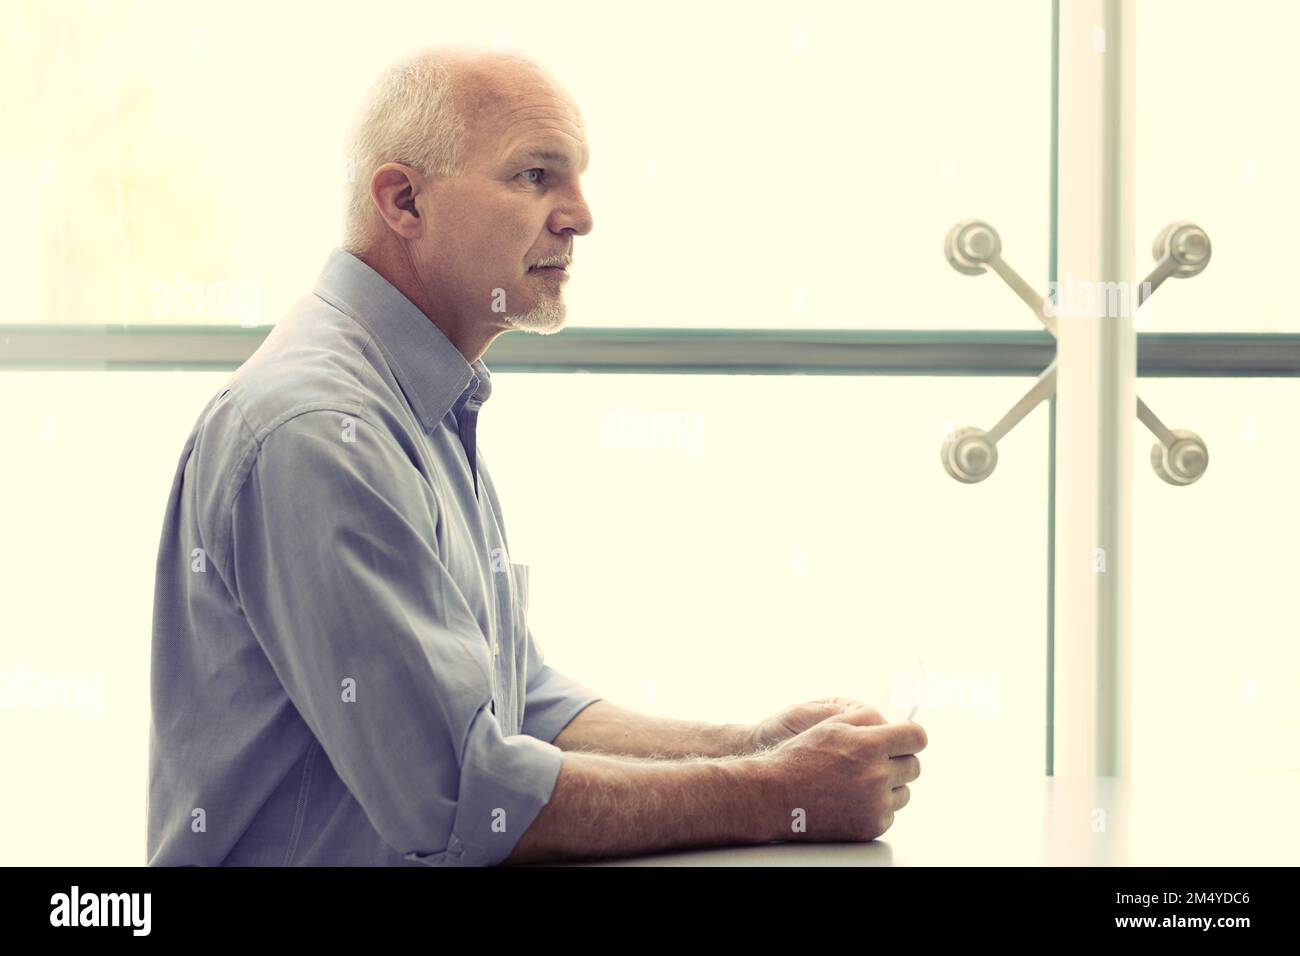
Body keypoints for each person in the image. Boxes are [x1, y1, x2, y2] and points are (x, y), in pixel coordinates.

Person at [147, 44, 925, 866]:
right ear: (404, 200)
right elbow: (465, 796)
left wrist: (754, 744)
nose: (581, 215)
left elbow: (521, 703)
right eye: (534, 176)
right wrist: (781, 793)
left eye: (578, 177)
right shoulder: (319, 431)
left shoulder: (419, 397)